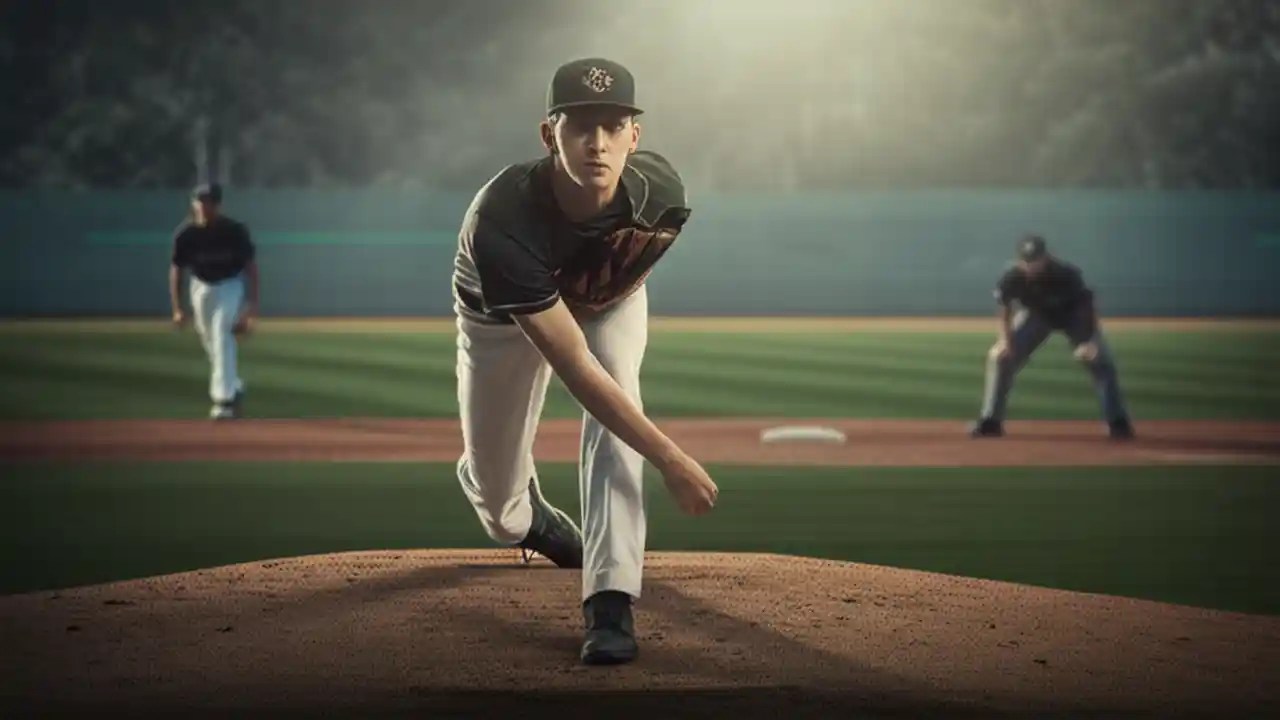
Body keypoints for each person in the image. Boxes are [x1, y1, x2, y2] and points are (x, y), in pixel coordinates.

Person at [450, 57, 719, 666]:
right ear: (550, 135)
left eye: (613, 125)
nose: (598, 142)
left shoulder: (659, 192)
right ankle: (526, 517)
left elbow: (607, 346)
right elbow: (574, 367)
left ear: (634, 135)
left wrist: (604, 291)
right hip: (503, 313)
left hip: (601, 295)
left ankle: (610, 594)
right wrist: (671, 458)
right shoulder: (499, 222)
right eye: (579, 127)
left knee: (621, 384)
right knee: (497, 506)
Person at [971, 235, 1134, 439]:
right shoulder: (1012, 276)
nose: (1031, 265)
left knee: (1101, 360)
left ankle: (1117, 422)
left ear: (1046, 257)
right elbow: (1005, 308)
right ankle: (991, 421)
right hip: (1037, 316)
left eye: (1036, 260)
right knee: (999, 358)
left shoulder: (1067, 274)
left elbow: (1086, 308)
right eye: (1027, 261)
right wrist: (1005, 341)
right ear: (1020, 260)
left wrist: (1089, 341)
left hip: (1072, 316)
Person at [169, 183, 258, 420]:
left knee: (222, 335)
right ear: (193, 204)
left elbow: (251, 269)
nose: (204, 206)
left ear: (218, 205)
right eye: (200, 201)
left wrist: (250, 309)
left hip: (230, 285)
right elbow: (177, 271)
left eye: (209, 202)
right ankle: (235, 386)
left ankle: (224, 400)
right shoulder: (186, 234)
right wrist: (178, 308)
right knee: (209, 341)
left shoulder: (234, 231)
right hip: (202, 288)